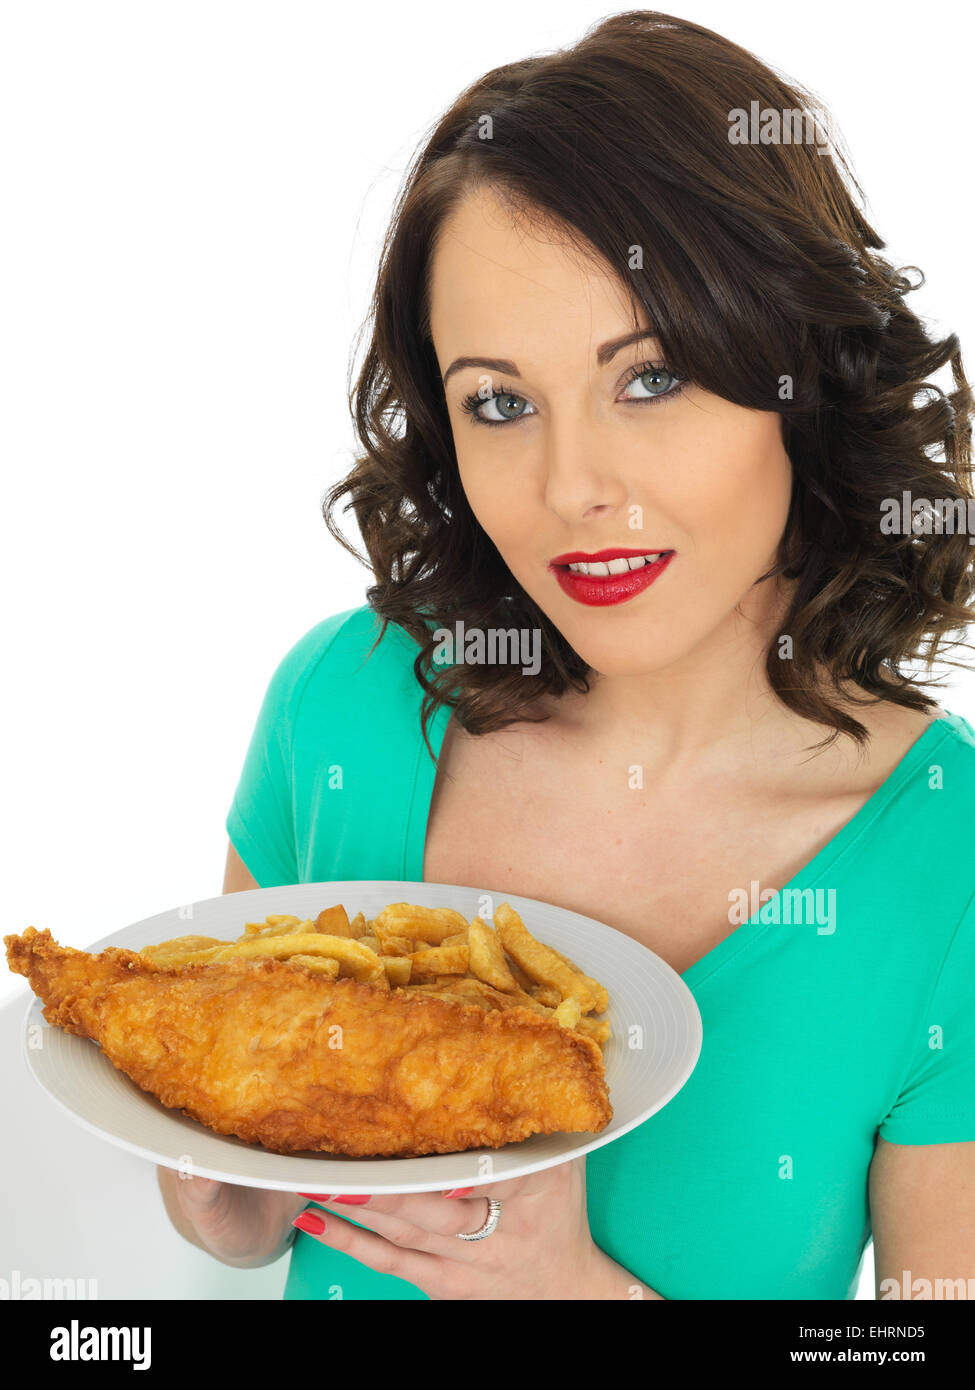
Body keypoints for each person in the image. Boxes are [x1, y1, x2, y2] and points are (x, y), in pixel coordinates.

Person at [159, 10, 975, 1299]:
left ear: (797, 372)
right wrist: (216, 1170)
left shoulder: (944, 856)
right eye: (499, 402)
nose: (574, 487)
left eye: (648, 378)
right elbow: (244, 1226)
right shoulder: (345, 710)